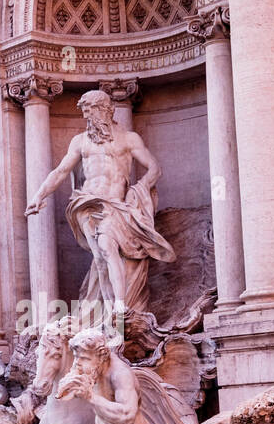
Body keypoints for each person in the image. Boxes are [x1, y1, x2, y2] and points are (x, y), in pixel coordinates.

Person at [25, 90, 174, 317]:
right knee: (100, 259)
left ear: (105, 109)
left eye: (91, 111)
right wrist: (38, 195)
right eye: (85, 113)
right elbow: (61, 171)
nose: (88, 117)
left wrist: (139, 188)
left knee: (106, 246)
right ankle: (110, 312)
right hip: (86, 204)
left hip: (114, 205)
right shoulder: (80, 142)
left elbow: (155, 168)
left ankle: (121, 303)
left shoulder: (128, 138)